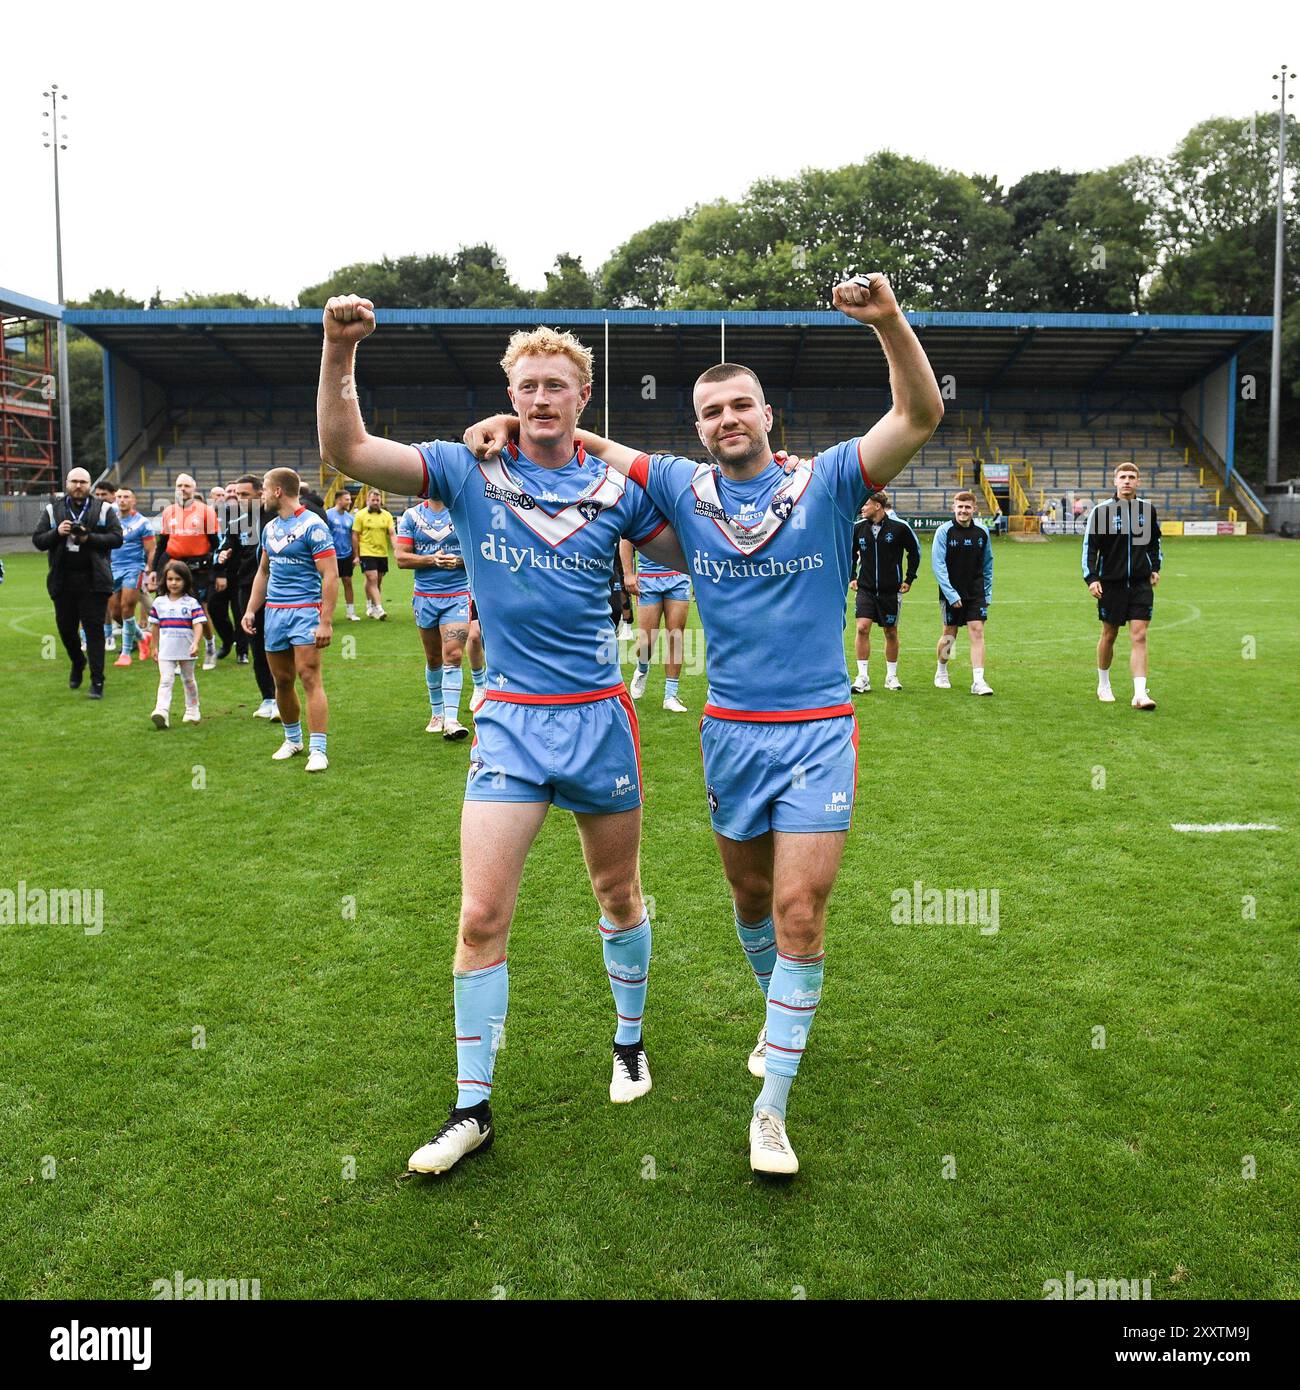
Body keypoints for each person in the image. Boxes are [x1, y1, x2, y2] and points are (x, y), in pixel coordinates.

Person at [467, 273, 944, 1177]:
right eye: (712, 410)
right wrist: (500, 430)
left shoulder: (833, 479)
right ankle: (780, 1017)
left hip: (817, 730)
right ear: (697, 429)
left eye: (741, 406)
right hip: (729, 733)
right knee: (754, 905)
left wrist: (887, 320)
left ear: (770, 414)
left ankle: (771, 1111)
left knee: (803, 911)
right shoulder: (683, 487)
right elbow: (586, 443)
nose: (729, 419)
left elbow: (916, 415)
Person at [318, 302, 689, 1176]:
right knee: (481, 915)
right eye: (527, 388)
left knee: (619, 896)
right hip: (510, 726)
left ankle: (628, 1043)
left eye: (557, 386)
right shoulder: (465, 469)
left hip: (601, 720)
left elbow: (704, 539)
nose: (540, 399)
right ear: (510, 396)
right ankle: (471, 1107)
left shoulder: (618, 489)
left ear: (583, 394)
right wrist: (340, 349)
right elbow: (349, 450)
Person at [240, 468, 337, 772]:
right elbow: (263, 572)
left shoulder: (313, 525)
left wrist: (326, 621)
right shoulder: (270, 529)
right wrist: (251, 609)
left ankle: (318, 749)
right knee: (282, 680)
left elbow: (330, 574)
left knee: (309, 677)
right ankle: (292, 740)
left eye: (265, 490)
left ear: (278, 491)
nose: (263, 495)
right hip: (274, 613)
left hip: (305, 611)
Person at [33, 466, 124, 698]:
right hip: (63, 580)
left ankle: (97, 682)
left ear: (90, 485)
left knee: (94, 631)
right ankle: (77, 661)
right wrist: (57, 533)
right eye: (74, 481)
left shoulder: (103, 509)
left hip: (94, 579)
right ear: (67, 484)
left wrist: (88, 537)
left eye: (83, 482)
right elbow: (38, 540)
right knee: (66, 630)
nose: (78, 486)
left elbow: (116, 538)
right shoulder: (53, 510)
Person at [1083, 462, 1162, 710]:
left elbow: (1155, 544)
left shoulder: (1147, 511)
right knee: (1110, 634)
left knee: (1139, 635)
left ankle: (1140, 694)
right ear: (1115, 481)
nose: (1127, 481)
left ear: (1138, 481)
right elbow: (1090, 548)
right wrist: (1092, 577)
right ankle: (1103, 684)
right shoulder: (1101, 511)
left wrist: (1155, 568)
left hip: (1140, 584)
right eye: (1123, 477)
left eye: (1131, 477)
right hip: (1111, 584)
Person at [396, 496, 476, 738]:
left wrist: (462, 561)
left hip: (458, 594)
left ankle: (451, 720)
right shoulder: (411, 516)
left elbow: (481, 550)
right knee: (433, 659)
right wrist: (432, 560)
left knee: (452, 655)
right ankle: (437, 712)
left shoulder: (464, 510)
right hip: (425, 596)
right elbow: (401, 557)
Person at [151, 474, 229, 669]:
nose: (183, 489)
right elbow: (162, 544)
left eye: (187, 486)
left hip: (199, 568)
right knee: (175, 610)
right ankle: (179, 654)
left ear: (194, 489)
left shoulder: (205, 511)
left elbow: (216, 544)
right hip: (174, 565)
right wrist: (154, 570)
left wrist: (220, 572)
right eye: (179, 485)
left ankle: (210, 646)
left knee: (200, 611)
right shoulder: (169, 511)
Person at [218, 474, 279, 714]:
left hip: (277, 589)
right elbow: (228, 544)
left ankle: (282, 695)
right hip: (247, 588)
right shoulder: (237, 520)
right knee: (257, 645)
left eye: (244, 494)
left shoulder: (275, 518)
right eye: (236, 495)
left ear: (259, 493)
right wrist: (224, 554)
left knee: (276, 644)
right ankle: (267, 699)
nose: (239, 499)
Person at [848, 490, 919, 693]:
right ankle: (862, 677)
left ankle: (891, 676)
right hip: (866, 588)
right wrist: (852, 576)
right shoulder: (858, 528)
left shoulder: (900, 528)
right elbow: (851, 553)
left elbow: (914, 552)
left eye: (865, 504)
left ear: (877, 506)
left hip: (890, 591)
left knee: (890, 632)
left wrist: (909, 578)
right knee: (862, 628)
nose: (862, 507)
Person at [932, 492, 994, 696]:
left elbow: (988, 564)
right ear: (953, 508)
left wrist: (987, 593)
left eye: (967, 507)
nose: (963, 510)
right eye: (959, 506)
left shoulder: (982, 532)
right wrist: (951, 594)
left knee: (977, 631)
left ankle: (978, 681)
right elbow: (938, 565)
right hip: (951, 592)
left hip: (976, 592)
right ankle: (941, 671)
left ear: (974, 509)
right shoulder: (944, 531)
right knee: (950, 634)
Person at [619, 541, 691, 711]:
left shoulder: (679, 512)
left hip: (678, 575)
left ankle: (670, 695)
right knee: (646, 643)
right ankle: (642, 668)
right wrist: (628, 573)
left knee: (676, 635)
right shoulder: (642, 512)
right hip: (648, 578)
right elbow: (626, 538)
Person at [148, 560, 206, 728]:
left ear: (186, 581)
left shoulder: (191, 603)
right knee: (166, 679)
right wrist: (154, 646)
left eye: (178, 579)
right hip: (166, 650)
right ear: (164, 580)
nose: (173, 583)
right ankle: (162, 712)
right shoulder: (159, 602)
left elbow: (198, 624)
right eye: (170, 579)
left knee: (188, 679)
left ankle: (192, 709)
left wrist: (195, 643)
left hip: (186, 649)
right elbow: (155, 626)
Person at [110, 487, 157, 666]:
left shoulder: (142, 523)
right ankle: (142, 637)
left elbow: (151, 549)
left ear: (133, 500)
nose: (122, 500)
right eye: (119, 497)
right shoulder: (109, 519)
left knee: (127, 607)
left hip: (133, 568)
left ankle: (126, 653)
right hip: (112, 568)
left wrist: (150, 570)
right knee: (115, 613)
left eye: (126, 497)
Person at [352, 488, 396, 618]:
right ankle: (379, 609)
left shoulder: (386, 515)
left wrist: (396, 549)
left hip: (382, 553)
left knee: (377, 582)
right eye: (373, 500)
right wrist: (356, 555)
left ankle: (370, 604)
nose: (376, 502)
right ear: (367, 500)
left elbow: (392, 534)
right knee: (372, 579)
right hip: (367, 552)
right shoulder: (360, 515)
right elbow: (355, 535)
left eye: (378, 500)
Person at [325, 487, 362, 621]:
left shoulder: (350, 518)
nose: (349, 502)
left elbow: (354, 537)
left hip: (346, 555)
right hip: (331, 556)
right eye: (347, 499)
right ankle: (325, 613)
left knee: (348, 582)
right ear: (339, 500)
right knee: (329, 584)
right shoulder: (328, 515)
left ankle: (350, 612)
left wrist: (356, 555)